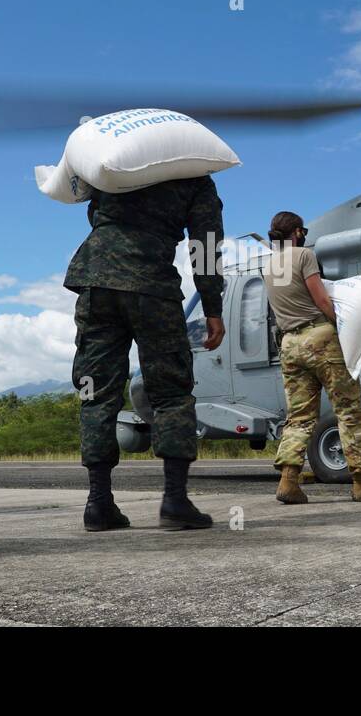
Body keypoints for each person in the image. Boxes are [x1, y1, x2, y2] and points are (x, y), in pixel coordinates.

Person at [65, 175, 225, 531]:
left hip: (95, 282)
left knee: (96, 393)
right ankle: (174, 500)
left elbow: (94, 214)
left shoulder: (116, 163)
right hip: (152, 285)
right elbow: (205, 245)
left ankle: (98, 503)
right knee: (171, 391)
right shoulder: (194, 176)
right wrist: (212, 307)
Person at [262, 211, 361, 504]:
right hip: (318, 338)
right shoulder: (303, 255)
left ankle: (288, 481)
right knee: (349, 409)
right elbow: (320, 298)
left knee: (299, 416)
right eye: (302, 230)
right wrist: (341, 326)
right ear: (295, 232)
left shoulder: (269, 264)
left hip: (290, 344)